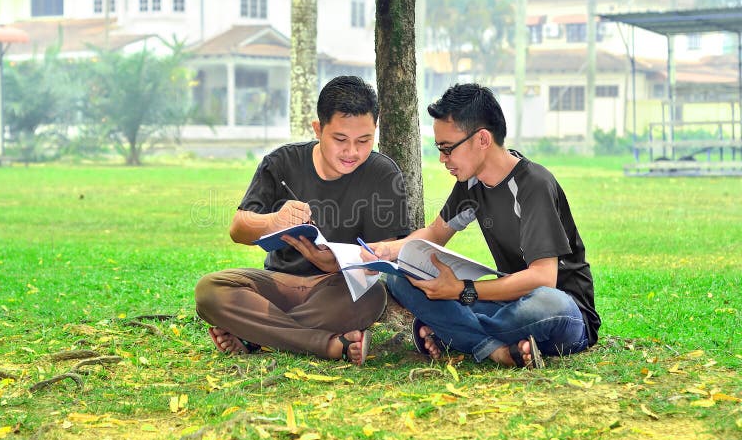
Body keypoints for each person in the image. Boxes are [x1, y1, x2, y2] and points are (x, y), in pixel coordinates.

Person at [365, 83, 600, 369]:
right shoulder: (471, 184)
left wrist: (462, 291)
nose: (442, 159)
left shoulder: (533, 185)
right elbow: (436, 234)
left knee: (546, 304)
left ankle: (448, 333)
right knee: (401, 278)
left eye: (448, 148)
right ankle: (495, 350)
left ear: (483, 140)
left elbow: (543, 278)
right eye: (439, 149)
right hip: (507, 303)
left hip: (564, 314)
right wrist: (386, 251)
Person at [195, 76, 409, 365]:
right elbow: (238, 228)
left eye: (364, 140)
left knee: (372, 298)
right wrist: (273, 221)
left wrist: (335, 262)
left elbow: (385, 250)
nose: (352, 152)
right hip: (278, 285)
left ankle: (254, 335)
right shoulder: (282, 162)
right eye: (340, 139)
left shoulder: (383, 174)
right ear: (318, 129)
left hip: (338, 288)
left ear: (375, 131)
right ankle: (331, 346)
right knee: (210, 291)